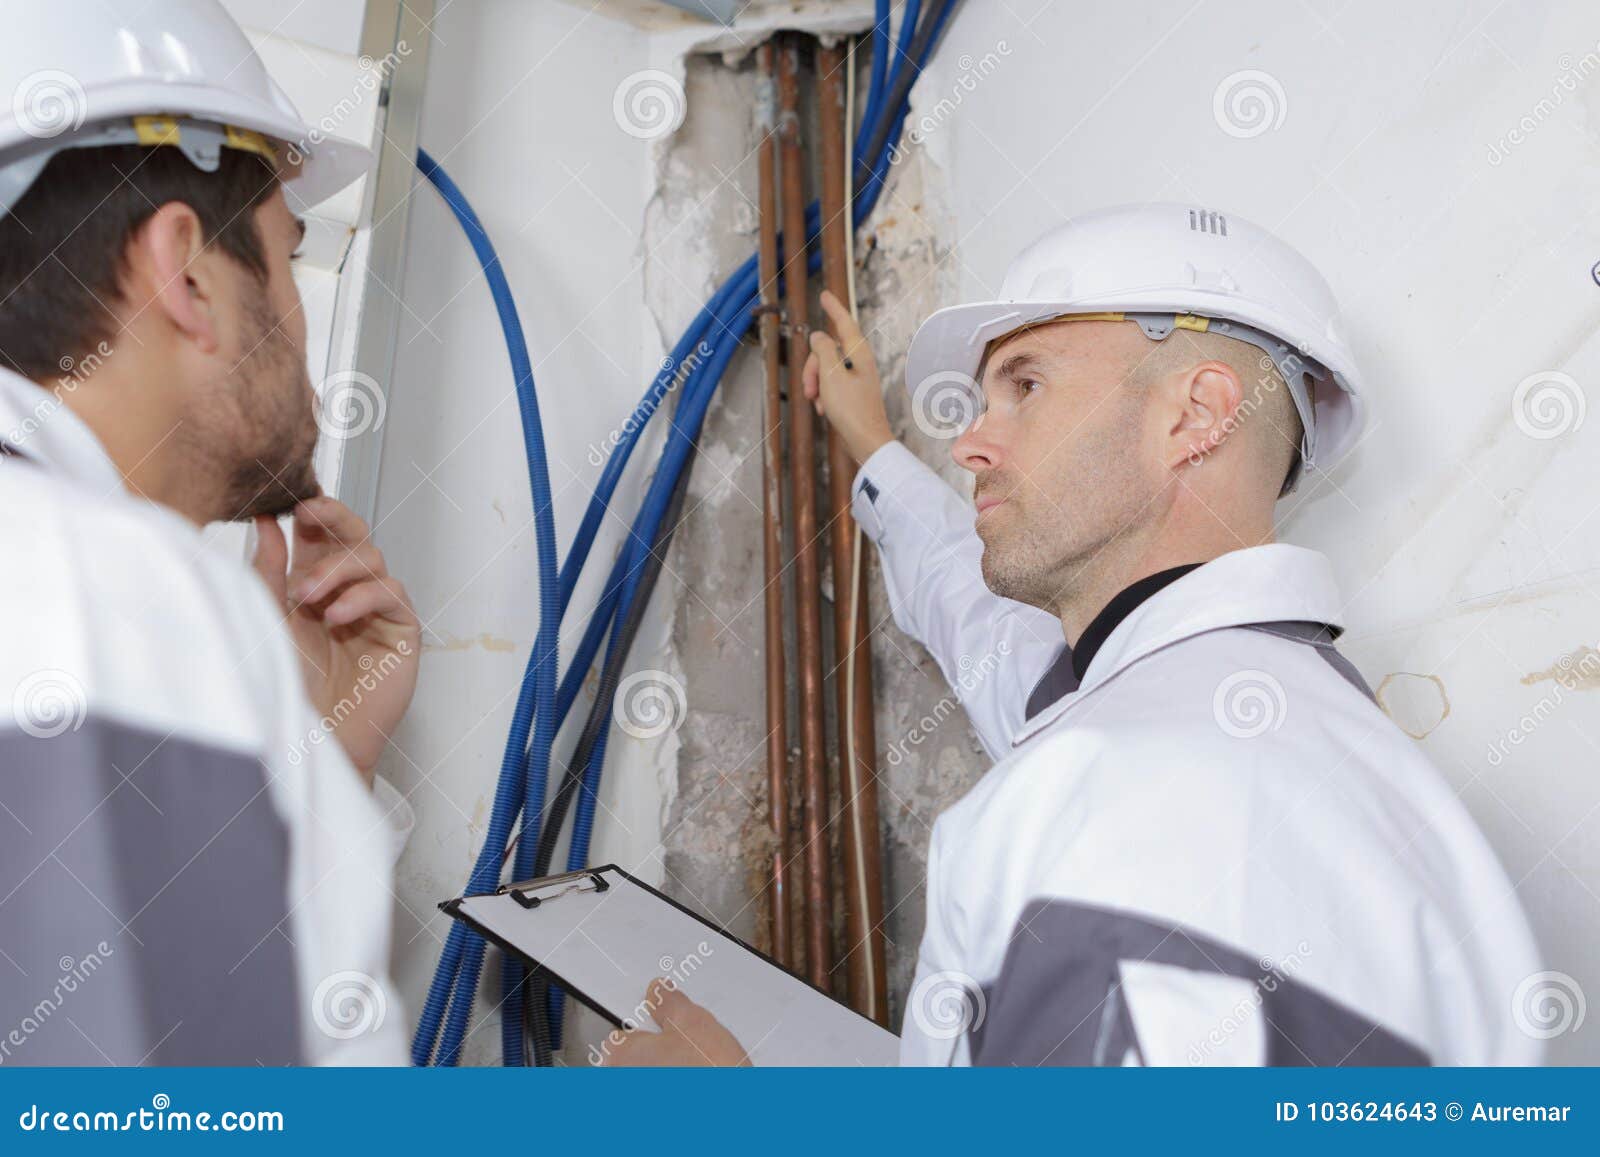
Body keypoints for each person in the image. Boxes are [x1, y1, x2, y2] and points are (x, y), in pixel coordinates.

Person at [610, 203, 1544, 1066]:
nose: (969, 443)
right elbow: (969, 611)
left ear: (1196, 415)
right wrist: (872, 442)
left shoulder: (1143, 792)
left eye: (1026, 383)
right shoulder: (1197, 708)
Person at [0, 1, 417, 1064]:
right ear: (186, 272)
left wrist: (306, 771)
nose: (297, 315)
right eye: (283, 255)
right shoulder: (118, 591)